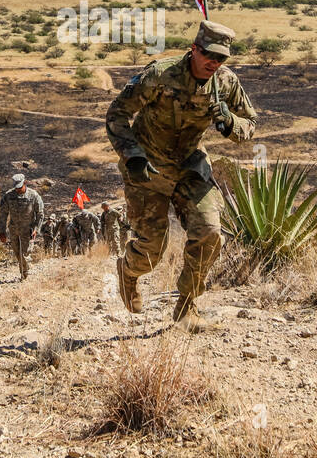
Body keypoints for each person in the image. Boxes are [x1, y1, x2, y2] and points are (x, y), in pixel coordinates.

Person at [105, 19, 257, 331]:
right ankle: (129, 272)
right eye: (208, 55)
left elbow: (249, 125)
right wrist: (131, 154)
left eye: (220, 58)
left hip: (189, 166)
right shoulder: (160, 74)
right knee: (151, 250)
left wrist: (230, 123)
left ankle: (187, 305)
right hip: (147, 166)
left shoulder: (225, 83)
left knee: (210, 232)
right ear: (194, 49)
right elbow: (117, 114)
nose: (213, 63)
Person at [0, 173, 44, 281]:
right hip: (14, 229)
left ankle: (25, 273)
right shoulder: (8, 196)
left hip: (28, 230)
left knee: (25, 254)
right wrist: (2, 232)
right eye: (16, 187)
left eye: (20, 187)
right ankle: (23, 273)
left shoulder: (34, 195)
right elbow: (3, 214)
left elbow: (40, 213)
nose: (18, 190)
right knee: (17, 253)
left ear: (25, 183)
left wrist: (36, 229)